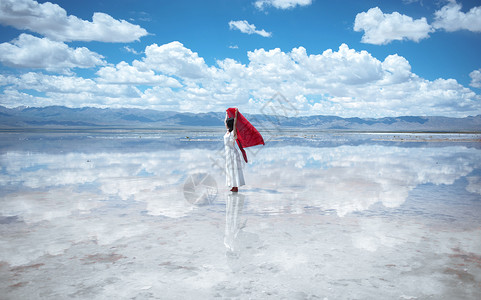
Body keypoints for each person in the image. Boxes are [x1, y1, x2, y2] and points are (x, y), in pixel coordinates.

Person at [224, 108, 245, 192]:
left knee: (234, 169)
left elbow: (235, 123)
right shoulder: (227, 132)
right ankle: (233, 186)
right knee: (229, 169)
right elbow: (225, 122)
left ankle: (236, 186)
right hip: (228, 153)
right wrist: (226, 114)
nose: (227, 124)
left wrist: (236, 115)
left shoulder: (233, 133)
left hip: (233, 153)